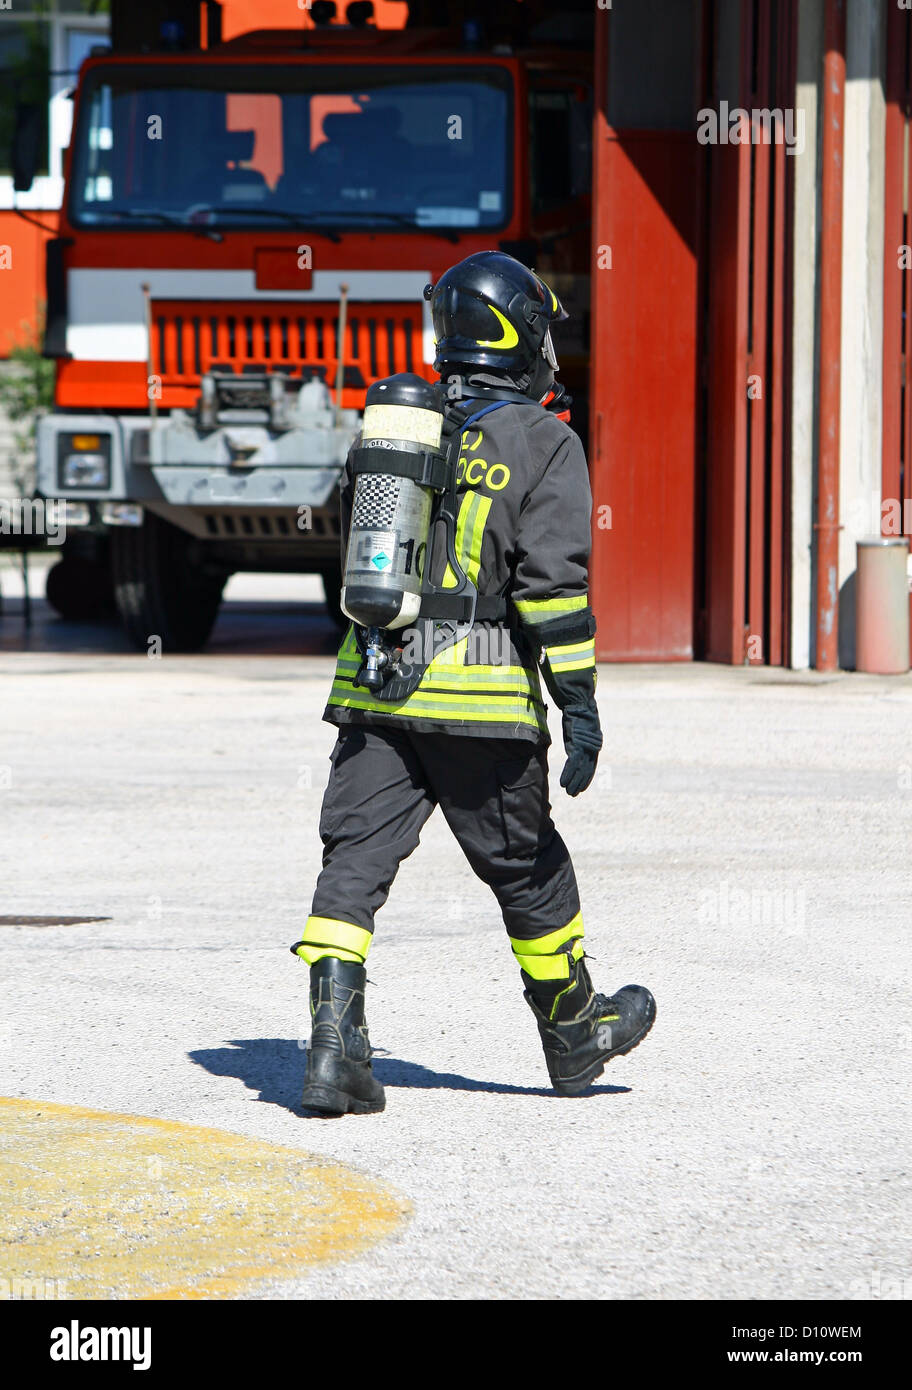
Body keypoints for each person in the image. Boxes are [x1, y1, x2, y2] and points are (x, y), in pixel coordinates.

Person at [291, 251, 656, 1115]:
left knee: (355, 863)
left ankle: (334, 1048)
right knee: (528, 870)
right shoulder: (545, 439)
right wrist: (579, 706)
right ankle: (575, 1035)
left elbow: (360, 554)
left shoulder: (395, 429)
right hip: (480, 705)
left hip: (376, 690)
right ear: (523, 335)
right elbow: (552, 592)